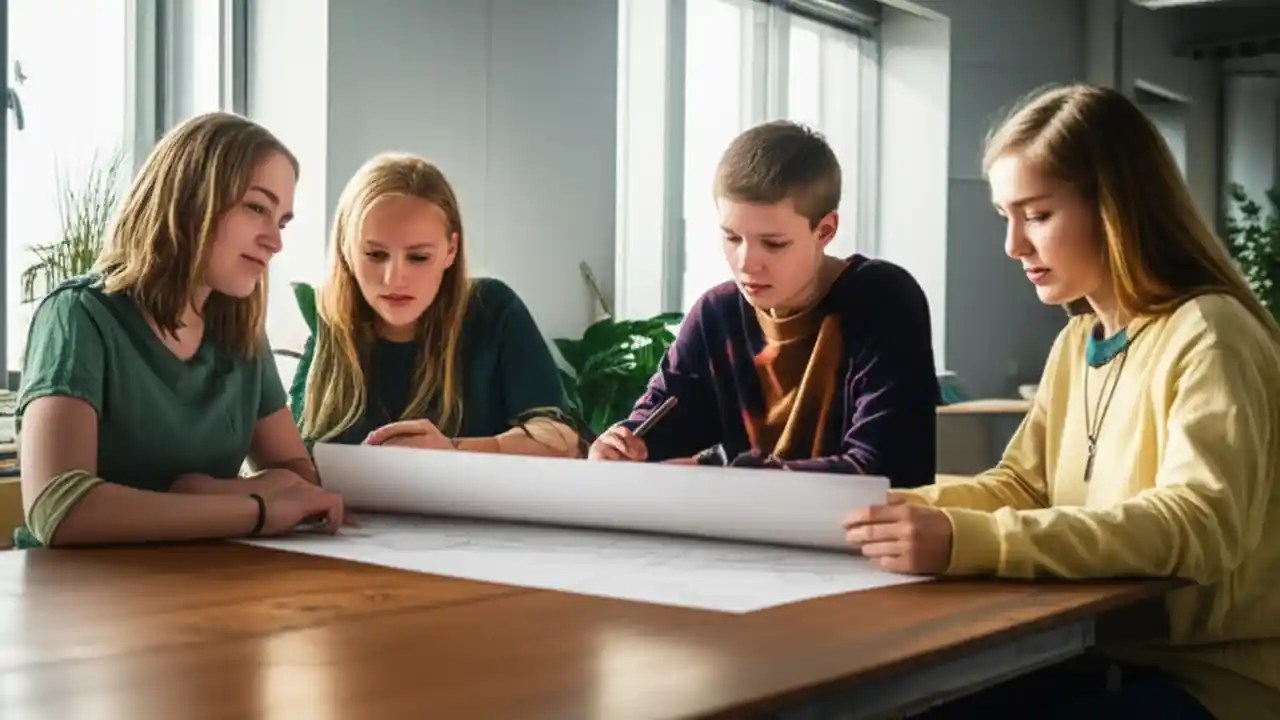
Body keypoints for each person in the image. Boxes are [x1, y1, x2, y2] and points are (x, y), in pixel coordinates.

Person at [843, 84, 1279, 718]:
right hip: (1098, 657)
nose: (1013, 246)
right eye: (1006, 218)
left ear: (1117, 209)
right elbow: (1023, 485)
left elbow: (1198, 524)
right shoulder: (1079, 341)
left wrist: (969, 541)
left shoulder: (1210, 331)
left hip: (1214, 683)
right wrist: (878, 511)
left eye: (1037, 215)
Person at [15, 111, 344, 548]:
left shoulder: (240, 332)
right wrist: (254, 509)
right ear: (190, 198)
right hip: (79, 598)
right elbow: (58, 508)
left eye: (281, 221)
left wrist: (207, 491)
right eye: (256, 208)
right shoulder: (79, 316)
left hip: (204, 587)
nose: (275, 241)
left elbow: (296, 472)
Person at [589, 120, 938, 486]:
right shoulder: (716, 314)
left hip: (856, 536)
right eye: (732, 237)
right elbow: (657, 425)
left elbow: (887, 470)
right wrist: (624, 445)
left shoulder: (883, 300)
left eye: (773, 243)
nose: (746, 263)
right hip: (740, 533)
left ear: (825, 231)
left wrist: (723, 476)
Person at [291, 152, 581, 458]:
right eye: (375, 255)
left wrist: (450, 451)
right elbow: (292, 457)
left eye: (418, 257)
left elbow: (561, 440)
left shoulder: (492, 309)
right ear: (346, 250)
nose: (394, 278)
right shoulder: (328, 323)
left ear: (450, 250)